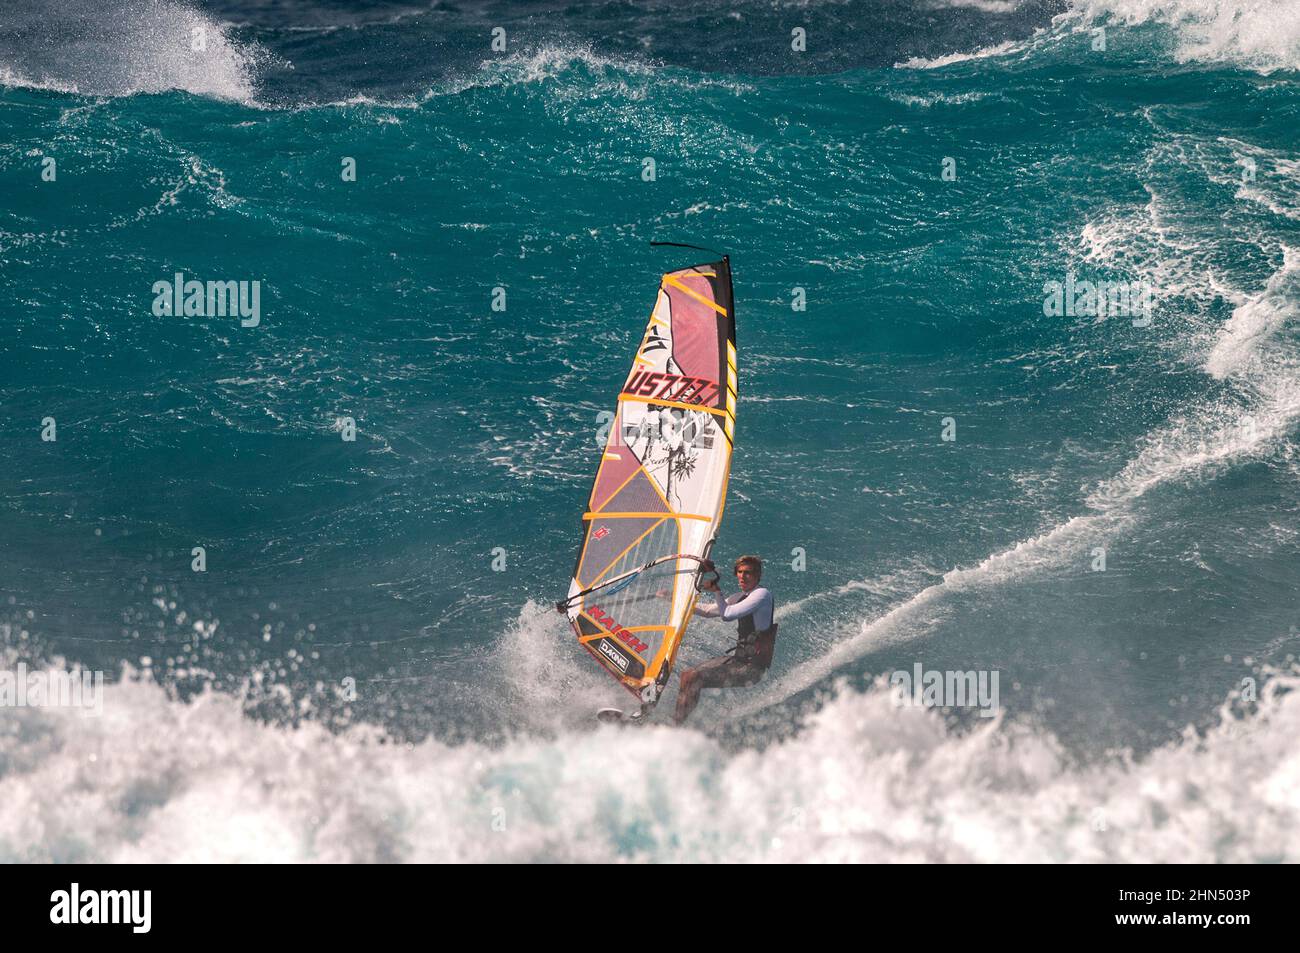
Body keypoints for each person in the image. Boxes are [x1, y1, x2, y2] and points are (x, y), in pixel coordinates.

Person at [673, 555, 778, 725]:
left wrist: (716, 591)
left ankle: (674, 727)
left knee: (693, 677)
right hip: (737, 661)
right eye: (740, 572)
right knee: (687, 676)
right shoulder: (741, 596)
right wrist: (673, 599)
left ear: (758, 575)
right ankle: (672, 719)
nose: (743, 576)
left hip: (751, 669)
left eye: (748, 573)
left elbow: (727, 614)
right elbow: (708, 611)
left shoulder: (762, 595)